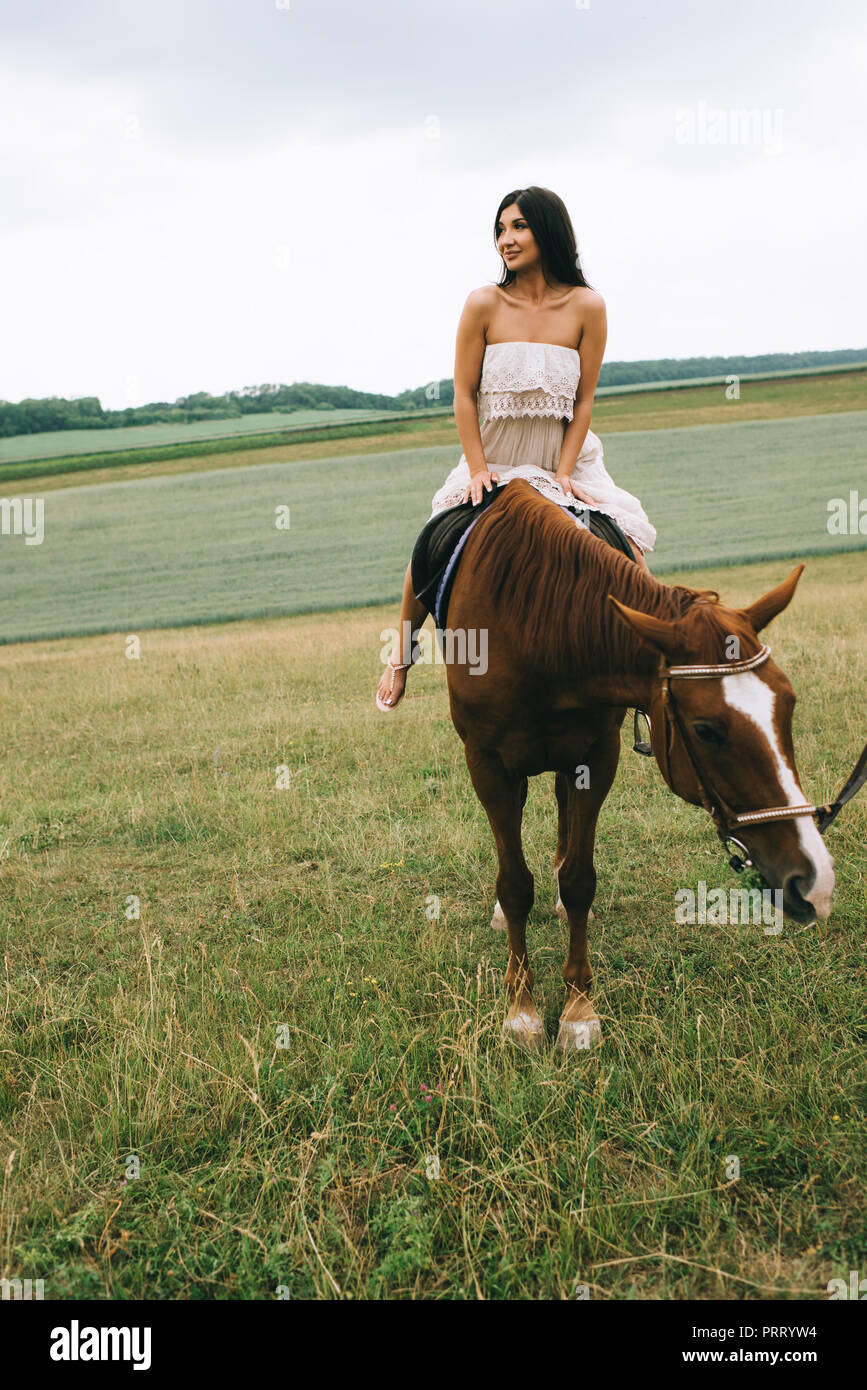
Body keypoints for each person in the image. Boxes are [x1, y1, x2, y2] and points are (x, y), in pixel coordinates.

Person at [375, 184, 656, 711]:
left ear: (549, 230)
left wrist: (567, 472)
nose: (506, 239)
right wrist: (478, 470)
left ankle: (651, 670)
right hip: (494, 460)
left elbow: (585, 402)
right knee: (430, 543)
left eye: (519, 226)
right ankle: (402, 659)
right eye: (500, 229)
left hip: (562, 460)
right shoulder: (484, 303)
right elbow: (463, 395)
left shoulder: (587, 307)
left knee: (632, 556)